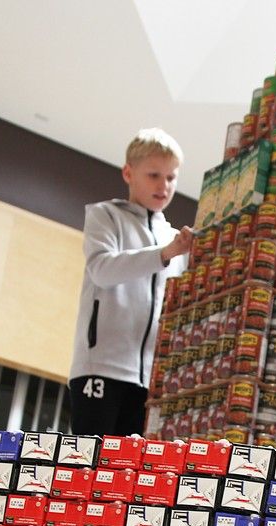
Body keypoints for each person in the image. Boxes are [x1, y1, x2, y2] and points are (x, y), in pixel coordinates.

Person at [68, 127, 193, 437]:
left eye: (171, 177)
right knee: (89, 469)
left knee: (130, 478)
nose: (163, 186)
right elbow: (102, 269)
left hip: (152, 382)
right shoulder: (105, 216)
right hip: (100, 370)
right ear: (128, 173)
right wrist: (164, 253)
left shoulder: (176, 242)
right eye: (153, 175)